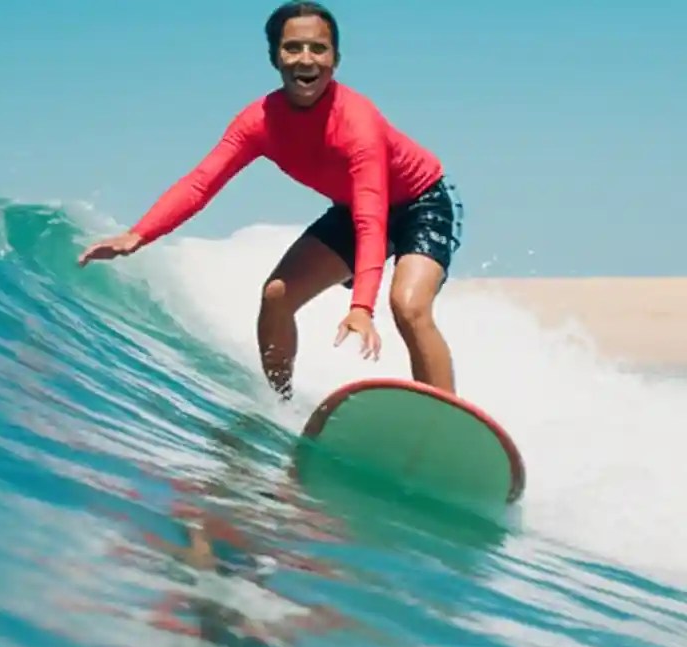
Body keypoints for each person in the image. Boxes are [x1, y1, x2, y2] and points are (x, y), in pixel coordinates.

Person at [77, 1, 464, 400]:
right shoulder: (259, 122)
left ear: (336, 58)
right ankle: (280, 405)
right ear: (274, 57)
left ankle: (446, 417)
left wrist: (362, 306)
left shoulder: (356, 122)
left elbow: (372, 220)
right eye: (292, 47)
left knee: (408, 305)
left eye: (318, 48)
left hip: (422, 202)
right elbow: (201, 183)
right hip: (353, 210)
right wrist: (138, 234)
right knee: (276, 296)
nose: (306, 59)